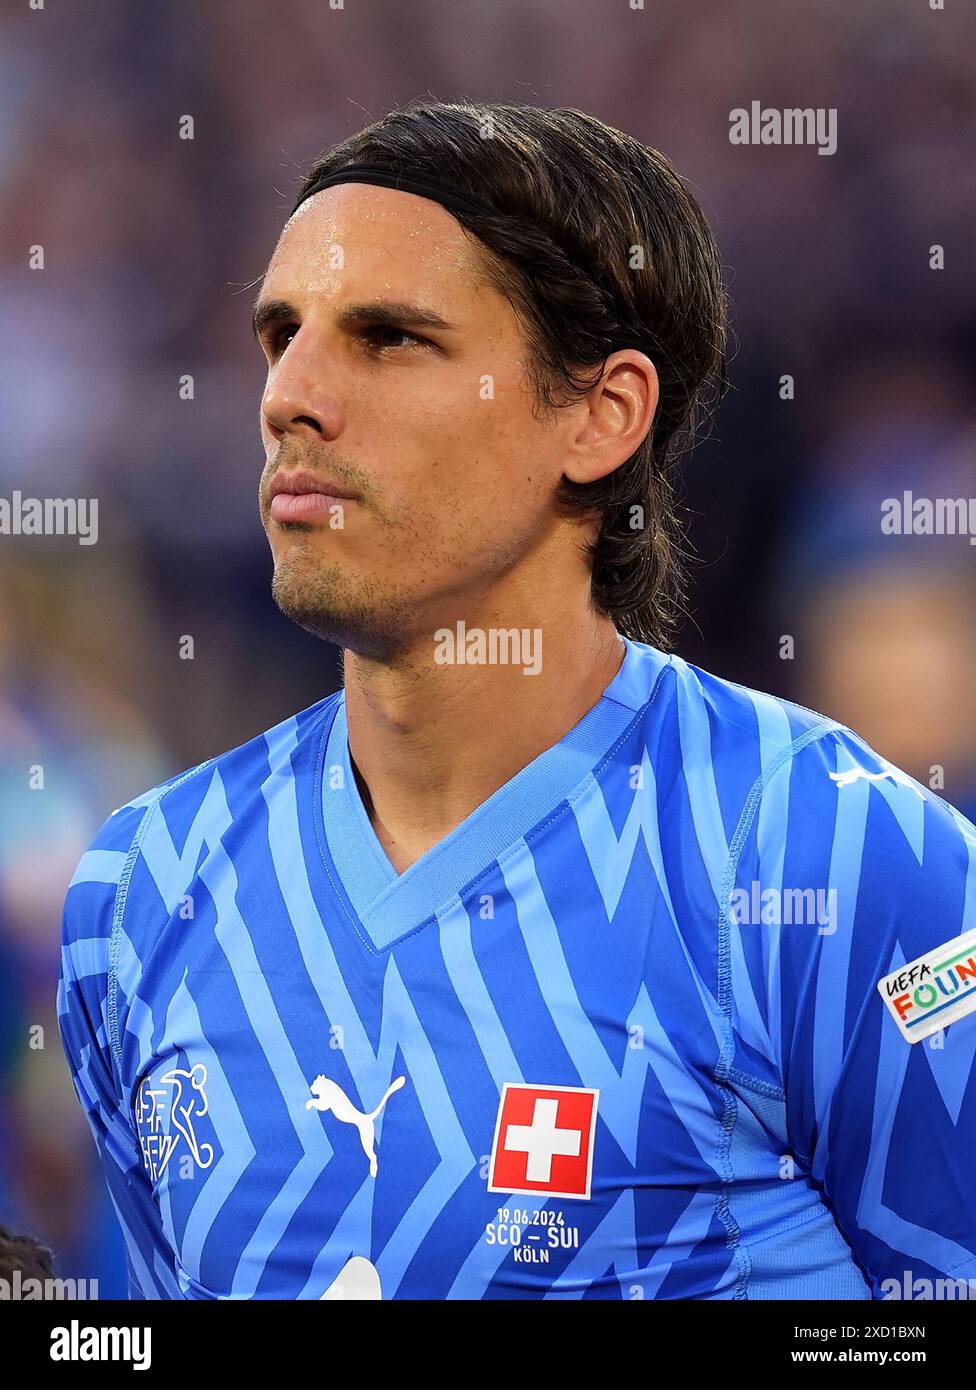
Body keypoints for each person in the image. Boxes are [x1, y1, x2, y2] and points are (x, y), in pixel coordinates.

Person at [58, 99, 976, 1300]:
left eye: (388, 337)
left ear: (600, 415)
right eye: (282, 331)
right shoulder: (142, 892)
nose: (290, 393)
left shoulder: (834, 859)